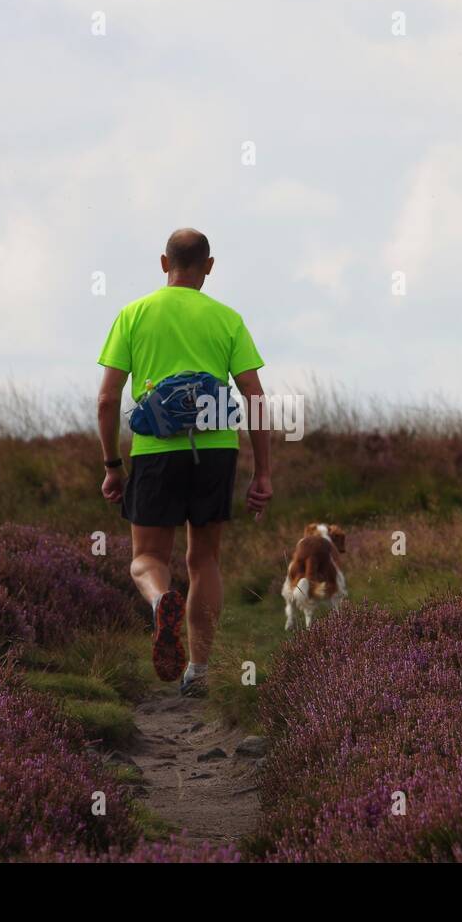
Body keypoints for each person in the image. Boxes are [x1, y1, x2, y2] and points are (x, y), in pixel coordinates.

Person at [96, 228, 272, 697]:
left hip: (156, 451)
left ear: (163, 263)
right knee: (204, 560)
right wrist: (264, 472)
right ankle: (200, 672)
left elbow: (107, 399)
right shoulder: (227, 318)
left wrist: (113, 465)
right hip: (216, 449)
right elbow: (254, 395)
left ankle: (160, 603)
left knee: (147, 559)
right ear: (209, 267)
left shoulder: (134, 315)